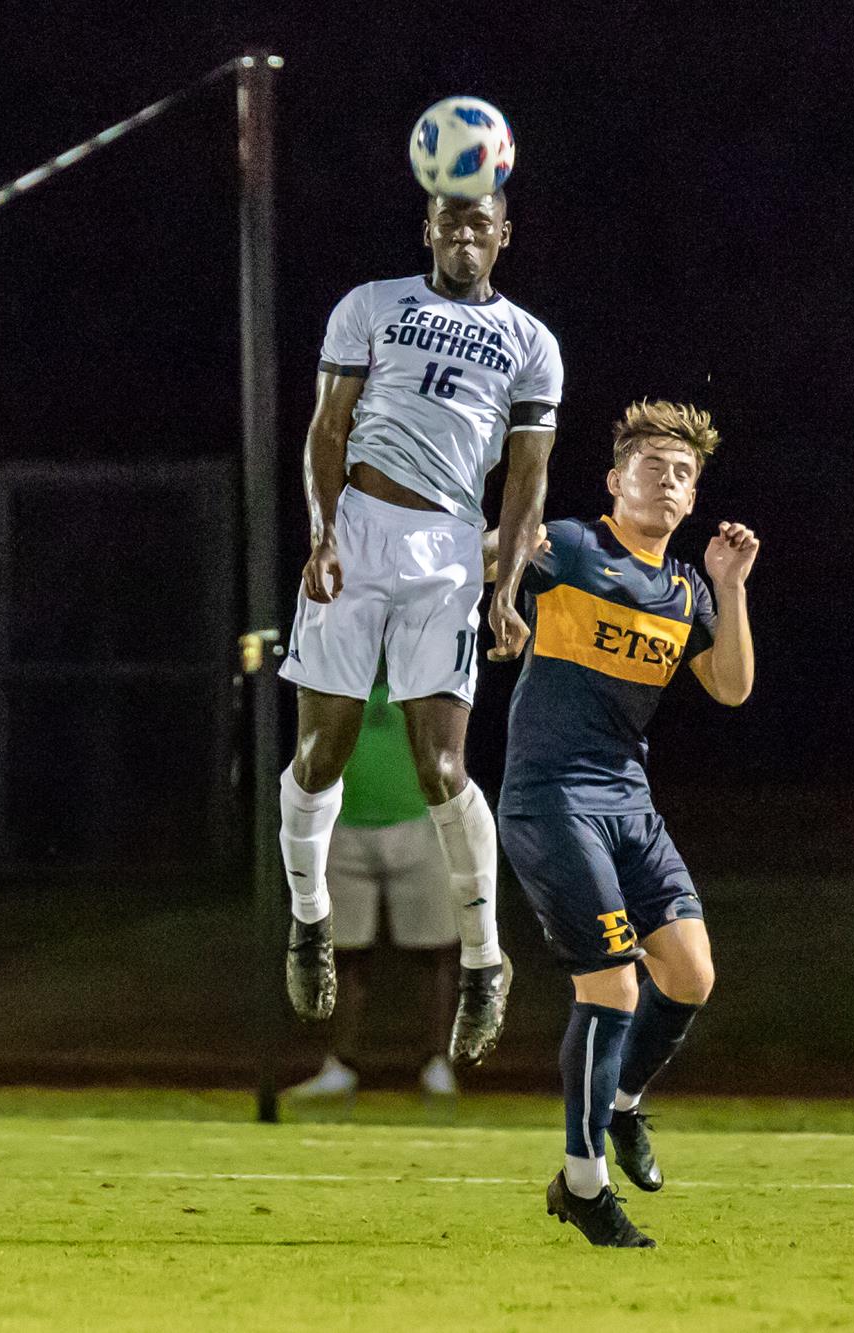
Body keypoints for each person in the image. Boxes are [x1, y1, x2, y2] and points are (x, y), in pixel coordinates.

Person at [279, 187, 563, 1068]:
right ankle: (309, 921)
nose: (465, 236)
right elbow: (327, 429)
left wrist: (508, 590)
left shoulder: (531, 342)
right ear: (428, 230)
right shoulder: (371, 305)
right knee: (319, 755)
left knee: (442, 767)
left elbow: (526, 479)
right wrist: (324, 533)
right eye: (451, 222)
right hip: (361, 527)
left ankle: (483, 963)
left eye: (481, 224)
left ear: (504, 234)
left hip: (449, 547)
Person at [496, 400, 758, 1248]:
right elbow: (496, 551)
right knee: (613, 987)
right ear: (616, 480)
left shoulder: (684, 589)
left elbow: (731, 687)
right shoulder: (574, 546)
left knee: (690, 973)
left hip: (627, 801)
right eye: (653, 467)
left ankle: (621, 1104)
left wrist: (730, 586)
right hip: (552, 796)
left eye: (684, 474)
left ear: (693, 499)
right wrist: (497, 577)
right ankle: (582, 1184)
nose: (669, 481)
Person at [285, 679, 461, 1102]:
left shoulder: (422, 665)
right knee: (343, 953)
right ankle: (341, 1064)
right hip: (342, 823)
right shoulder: (335, 667)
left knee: (434, 953)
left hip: (419, 819)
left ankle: (436, 1060)